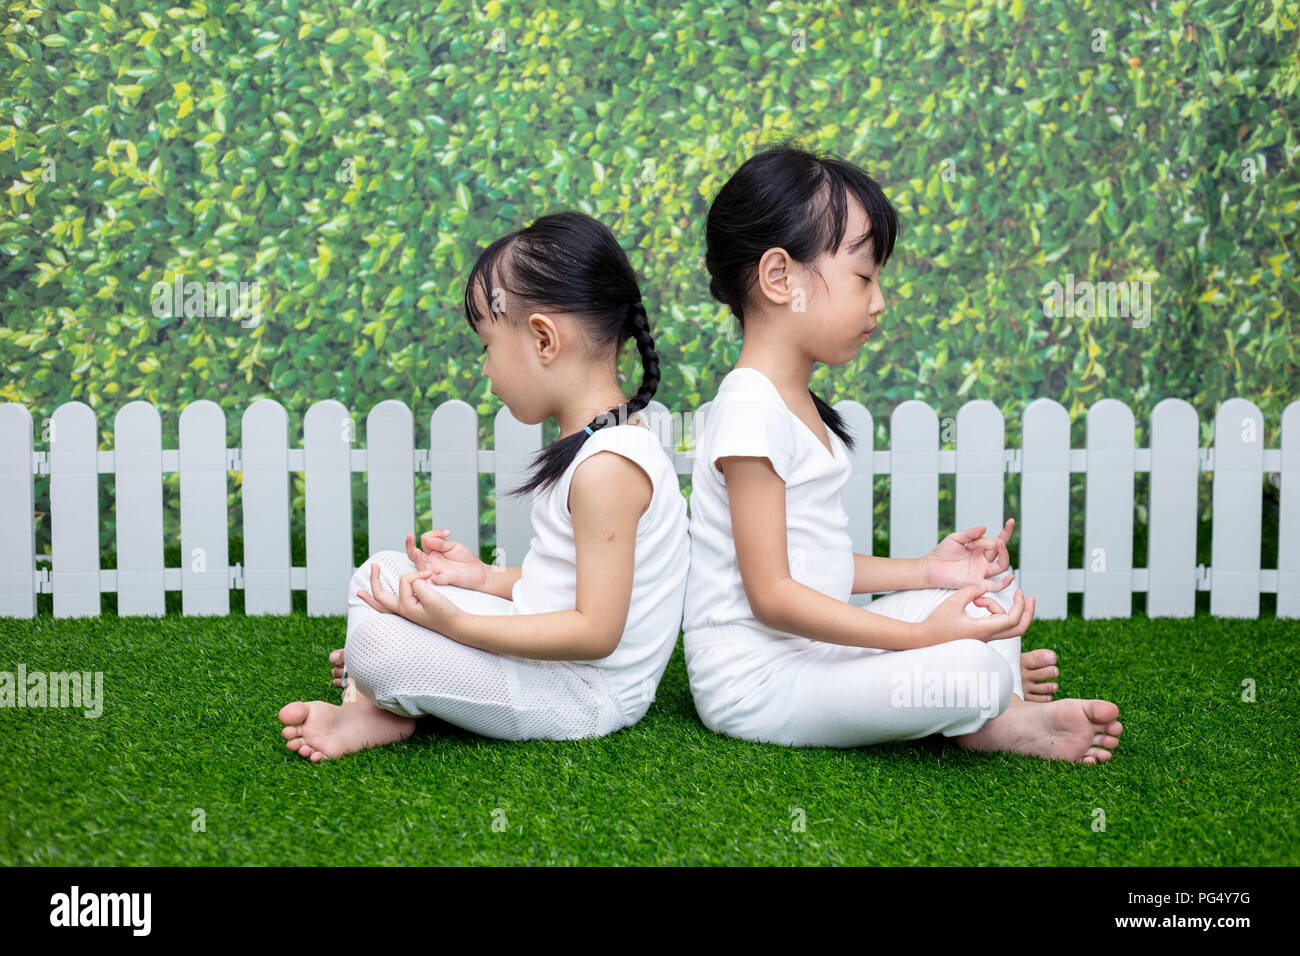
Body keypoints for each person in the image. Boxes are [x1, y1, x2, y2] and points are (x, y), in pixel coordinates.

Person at [683, 143, 1122, 762]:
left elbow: (817, 564)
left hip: (816, 651)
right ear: (781, 278)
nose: (879, 300)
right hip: (759, 685)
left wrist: (929, 573)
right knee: (964, 668)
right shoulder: (750, 412)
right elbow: (774, 595)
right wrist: (915, 638)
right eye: (864, 277)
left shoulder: (791, 401)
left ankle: (993, 699)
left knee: (983, 590)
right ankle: (994, 710)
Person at [278, 211, 689, 760]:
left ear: (544, 339)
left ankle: (373, 699)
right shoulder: (596, 443)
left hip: (584, 692)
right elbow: (563, 579)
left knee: (378, 645)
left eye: (488, 345)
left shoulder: (608, 468)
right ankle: (379, 693)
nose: (485, 368)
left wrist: (457, 623)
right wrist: (478, 577)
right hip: (547, 654)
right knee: (380, 573)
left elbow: (595, 632)